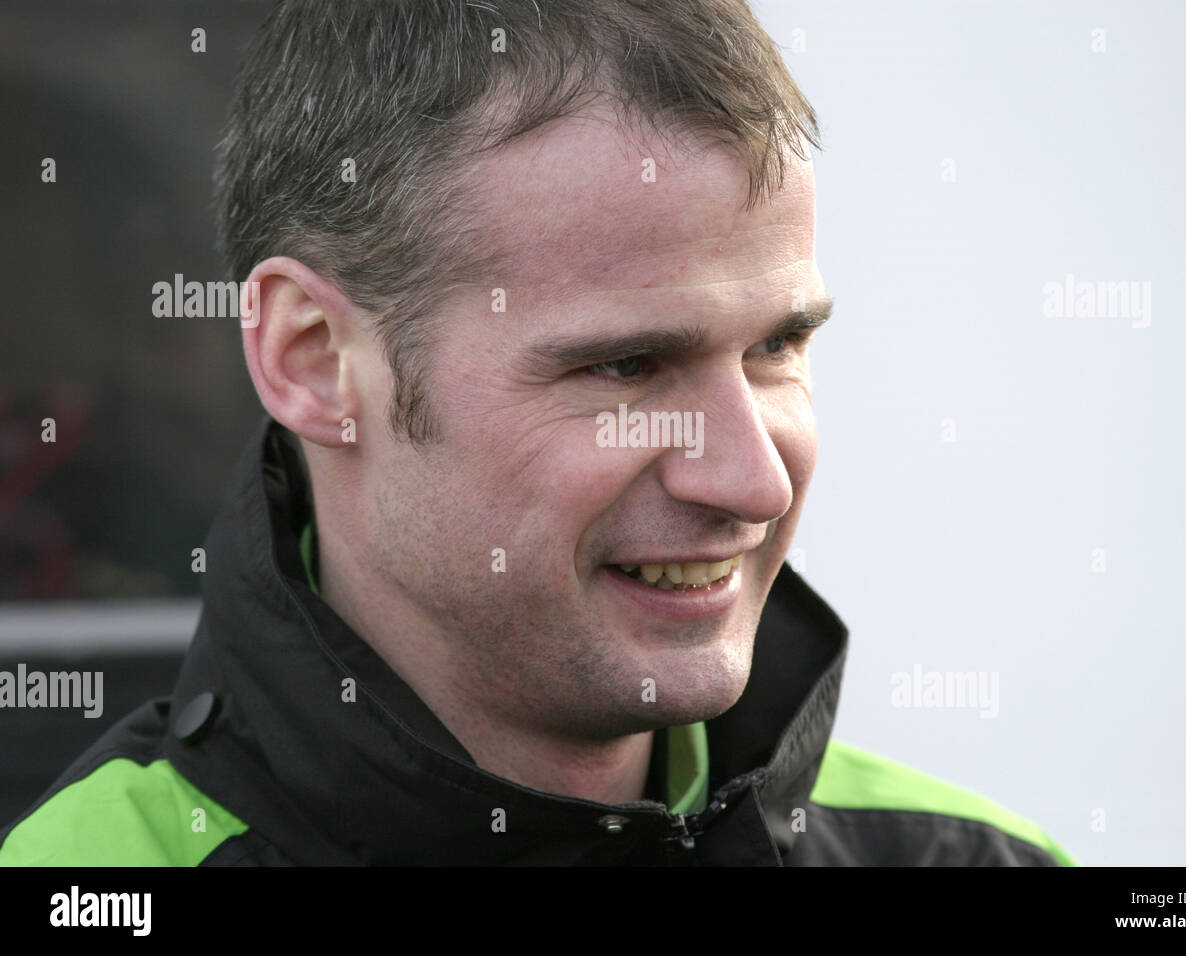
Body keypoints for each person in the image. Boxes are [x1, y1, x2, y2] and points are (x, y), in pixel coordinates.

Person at [0, 0, 1074, 866]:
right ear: (314, 360)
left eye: (777, 346)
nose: (751, 480)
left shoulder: (968, 855)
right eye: (625, 366)